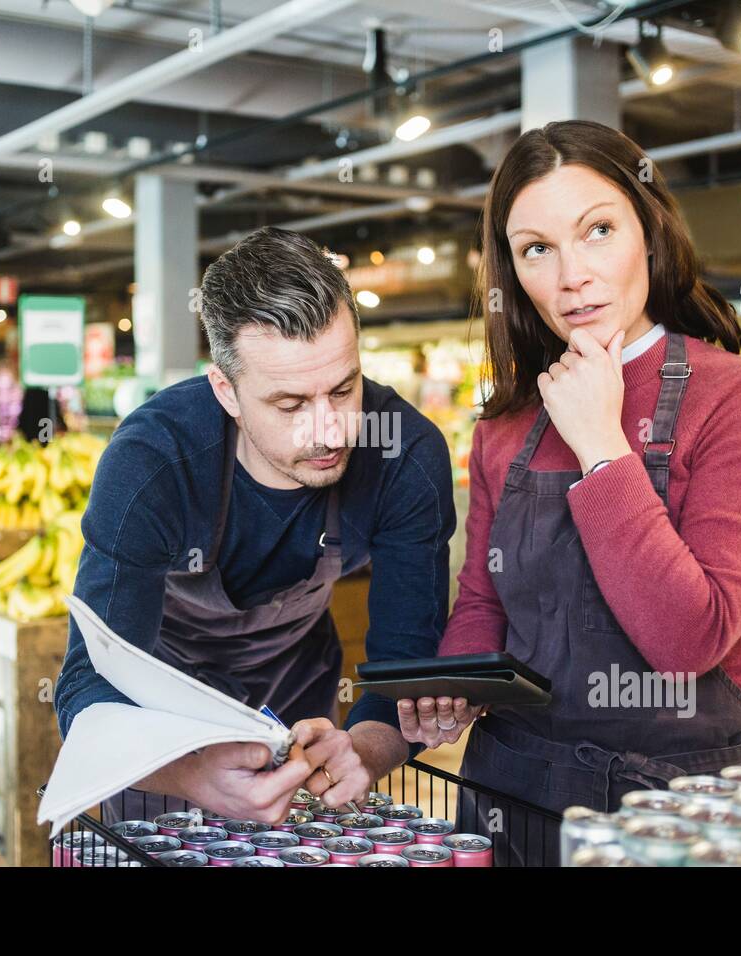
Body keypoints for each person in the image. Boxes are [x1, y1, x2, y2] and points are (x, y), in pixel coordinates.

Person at [397, 120, 741, 862]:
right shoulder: (506, 423)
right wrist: (456, 687)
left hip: (670, 808)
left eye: (597, 231)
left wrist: (600, 444)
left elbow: (691, 639)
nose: (571, 276)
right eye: (536, 249)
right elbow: (485, 600)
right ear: (513, 273)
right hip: (506, 790)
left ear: (649, 232)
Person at [53, 226, 456, 824]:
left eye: (344, 389)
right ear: (227, 391)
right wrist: (191, 770)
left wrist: (362, 751)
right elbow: (87, 685)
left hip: (297, 688)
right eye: (290, 405)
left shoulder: (405, 454)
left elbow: (407, 665)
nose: (329, 431)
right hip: (160, 718)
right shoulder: (152, 463)